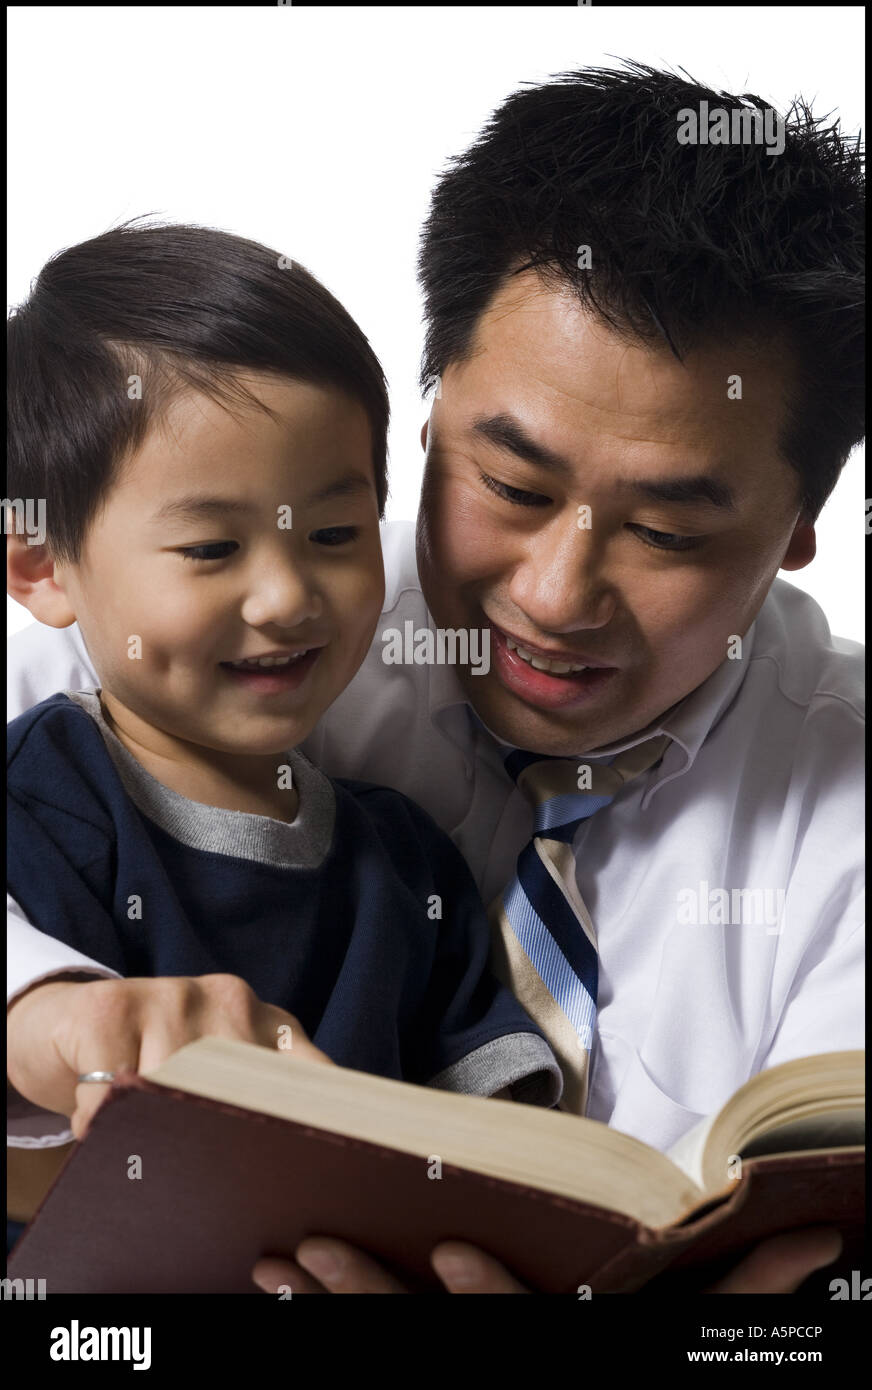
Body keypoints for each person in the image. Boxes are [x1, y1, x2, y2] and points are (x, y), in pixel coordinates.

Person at [7, 62, 863, 1294]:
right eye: (511, 487)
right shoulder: (209, 637)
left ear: (795, 527)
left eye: (669, 532)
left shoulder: (839, 801)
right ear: (425, 417)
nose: (557, 595)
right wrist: (37, 1009)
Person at [5, 221, 564, 1257]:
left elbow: (492, 1129)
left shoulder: (403, 854)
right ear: (43, 566)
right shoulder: (41, 804)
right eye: (212, 546)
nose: (285, 595)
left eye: (334, 535)